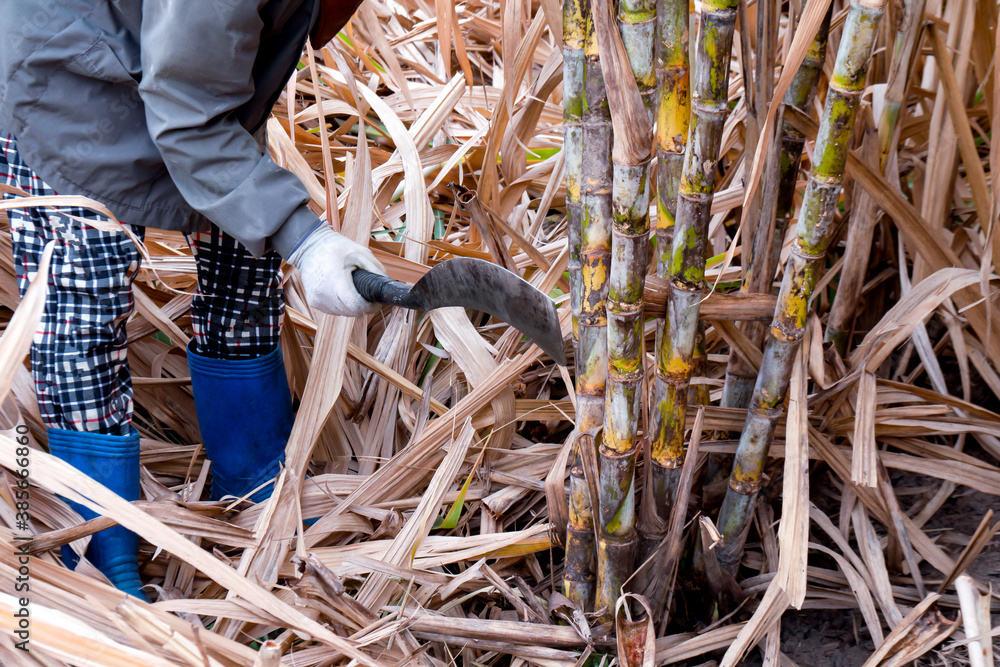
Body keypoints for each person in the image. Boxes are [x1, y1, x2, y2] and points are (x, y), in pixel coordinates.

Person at [0, 0, 383, 601]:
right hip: (62, 83)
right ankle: (104, 556)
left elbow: (203, 76)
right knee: (83, 298)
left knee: (246, 251)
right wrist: (306, 239)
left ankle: (255, 481)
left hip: (177, 73)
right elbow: (186, 112)